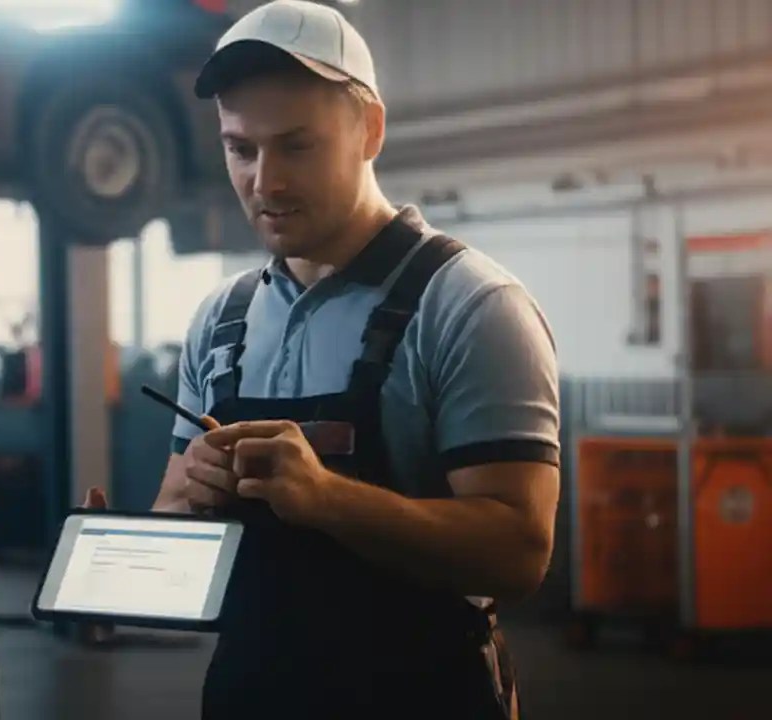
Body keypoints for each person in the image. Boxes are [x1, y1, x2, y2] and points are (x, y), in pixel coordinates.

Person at [140, 2, 560, 718]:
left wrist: (330, 499)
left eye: (296, 146)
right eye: (241, 149)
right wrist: (149, 534)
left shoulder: (472, 307)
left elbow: (520, 550)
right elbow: (176, 521)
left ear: (370, 130)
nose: (265, 182)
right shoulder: (220, 321)